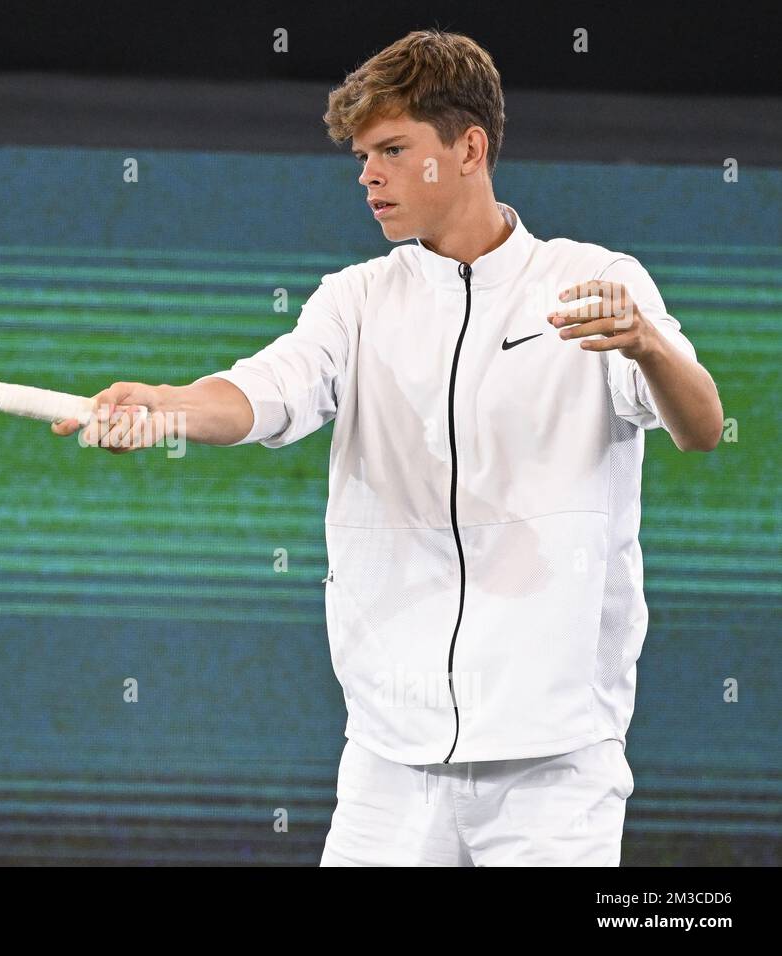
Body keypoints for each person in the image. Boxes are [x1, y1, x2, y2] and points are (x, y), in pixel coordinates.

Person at [50, 29, 723, 866]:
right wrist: (168, 407)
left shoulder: (593, 282)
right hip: (388, 764)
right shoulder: (354, 300)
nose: (368, 176)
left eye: (393, 151)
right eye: (363, 156)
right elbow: (268, 388)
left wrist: (648, 345)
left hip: (556, 769)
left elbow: (700, 427)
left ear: (469, 149)